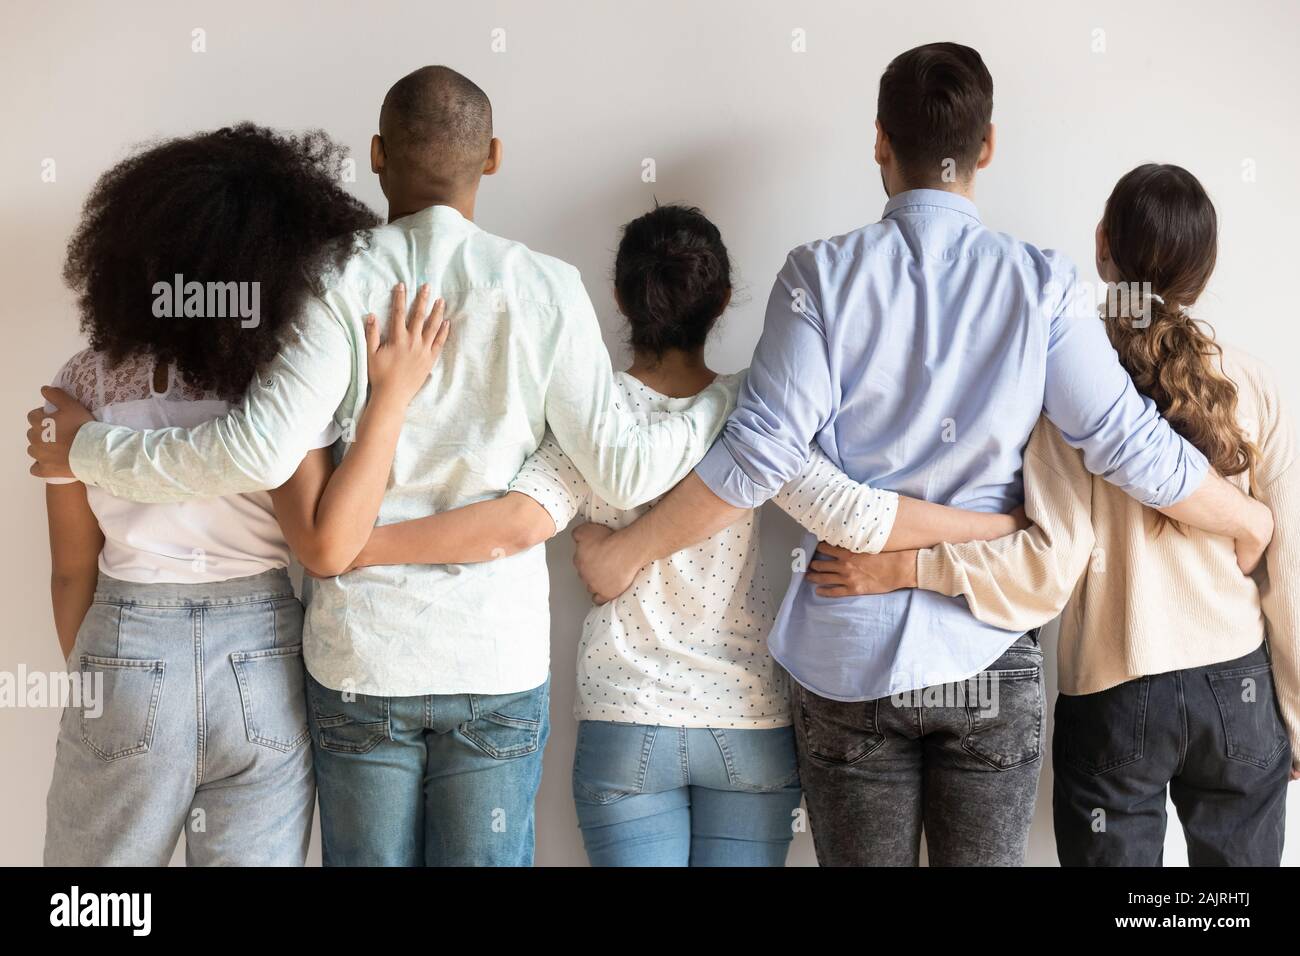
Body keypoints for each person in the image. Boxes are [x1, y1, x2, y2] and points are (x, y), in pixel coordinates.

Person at [568, 43, 1274, 867]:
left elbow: (759, 454)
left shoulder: (817, 278)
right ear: (987, 147)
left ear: (879, 141)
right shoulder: (1043, 284)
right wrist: (1245, 515)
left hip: (846, 661)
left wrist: (625, 551)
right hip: (985, 655)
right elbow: (1125, 441)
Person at [27, 67, 738, 867]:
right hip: (488, 661)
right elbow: (623, 468)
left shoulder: (328, 282)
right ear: (493, 156)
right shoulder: (545, 288)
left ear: (376, 155)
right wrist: (725, 399)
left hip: (362, 660)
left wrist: (85, 449)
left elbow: (255, 454)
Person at [338, 203, 1024, 865]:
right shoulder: (758, 417)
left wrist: (363, 545)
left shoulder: (591, 417)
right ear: (723, 300)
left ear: (617, 295)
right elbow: (856, 516)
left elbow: (516, 523)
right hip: (749, 725)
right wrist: (995, 526)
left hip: (627, 719)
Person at [814, 164, 1298, 866]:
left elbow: (1047, 564)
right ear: (1205, 267)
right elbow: (1291, 565)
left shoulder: (1064, 382)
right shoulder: (1254, 383)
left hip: (1115, 698)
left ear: (1102, 244)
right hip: (1240, 691)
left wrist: (912, 566)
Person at [41, 124, 449, 865]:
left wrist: (108, 679)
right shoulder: (286, 386)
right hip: (262, 660)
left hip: (128, 643)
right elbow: (315, 534)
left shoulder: (86, 383)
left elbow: (71, 569)